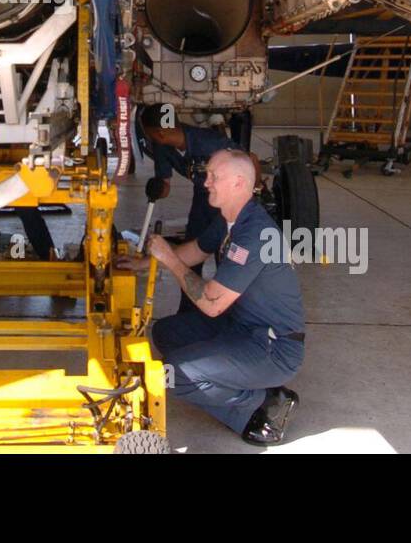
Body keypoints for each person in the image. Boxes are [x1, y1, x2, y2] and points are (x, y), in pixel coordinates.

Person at [118, 149, 304, 446]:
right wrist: (144, 262)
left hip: (274, 347)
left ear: (239, 184)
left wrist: (169, 258)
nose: (206, 183)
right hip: (240, 327)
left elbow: (211, 303)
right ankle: (241, 383)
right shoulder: (229, 219)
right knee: (165, 332)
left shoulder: (254, 235)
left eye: (215, 177)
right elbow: (195, 251)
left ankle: (261, 404)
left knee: (171, 372)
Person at [137, 103, 234, 312]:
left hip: (227, 202)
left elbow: (248, 163)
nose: (150, 139)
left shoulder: (211, 143)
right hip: (202, 199)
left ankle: (228, 313)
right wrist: (157, 188)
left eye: (151, 134)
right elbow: (165, 185)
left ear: (161, 133)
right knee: (190, 256)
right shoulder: (163, 146)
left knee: (225, 259)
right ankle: (188, 312)